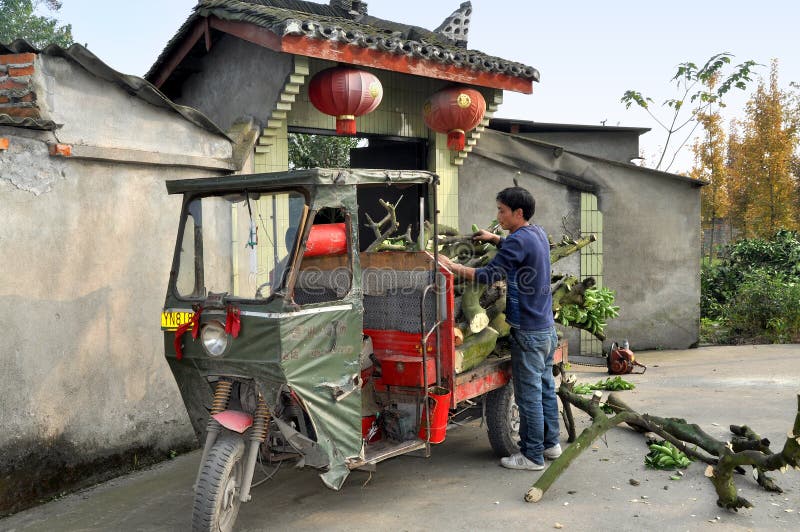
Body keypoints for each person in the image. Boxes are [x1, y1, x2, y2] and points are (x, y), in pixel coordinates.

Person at [439, 187, 561, 471]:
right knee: (545, 388)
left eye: (502, 211)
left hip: (528, 332)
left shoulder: (519, 240)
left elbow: (488, 274)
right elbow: (517, 249)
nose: (498, 216)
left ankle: (532, 456)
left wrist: (451, 266)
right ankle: (550, 444)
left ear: (518, 213)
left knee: (528, 395)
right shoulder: (537, 233)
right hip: (545, 329)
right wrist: (495, 239)